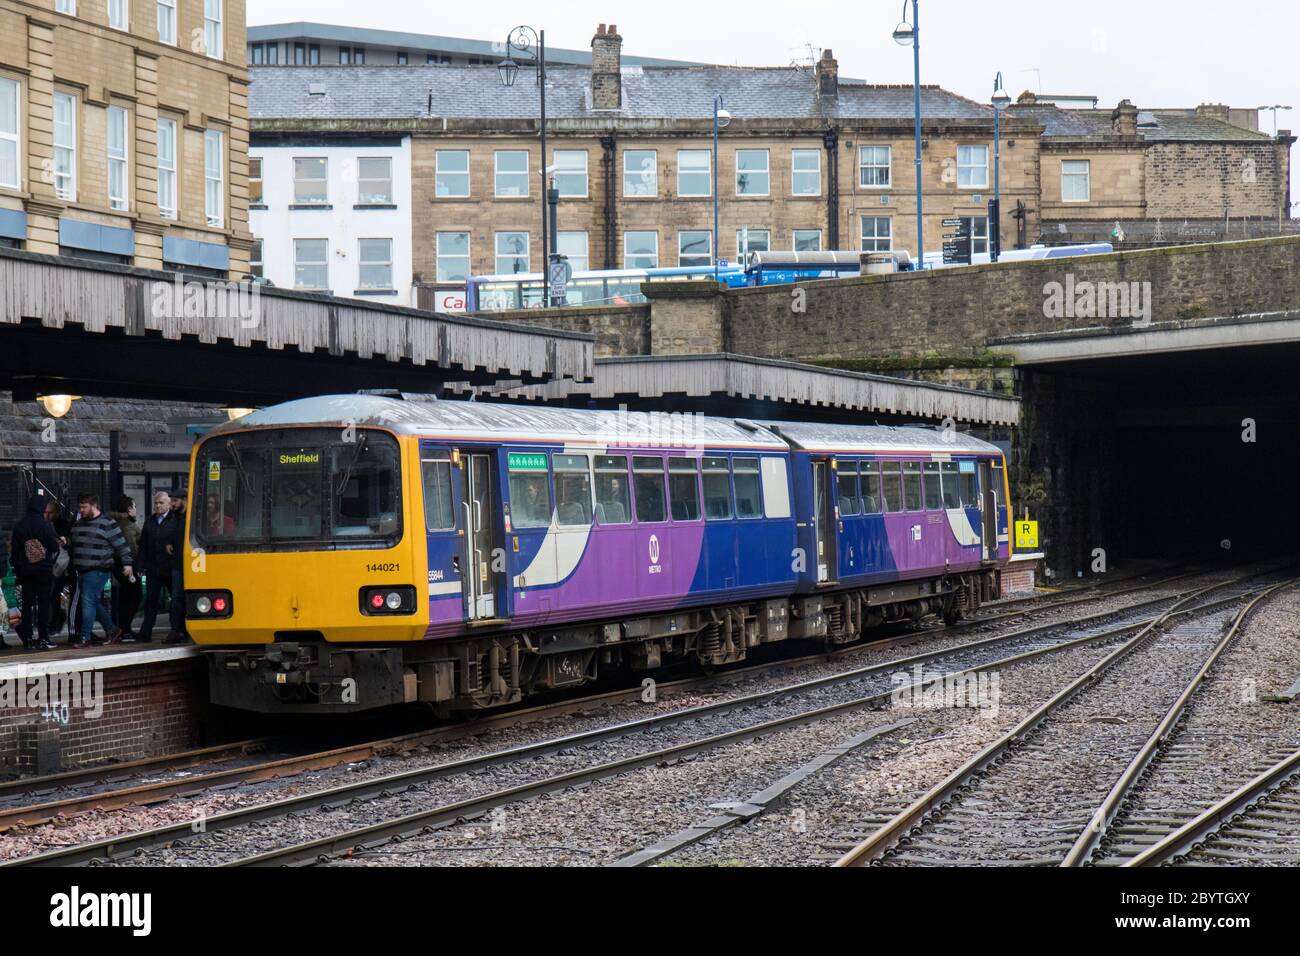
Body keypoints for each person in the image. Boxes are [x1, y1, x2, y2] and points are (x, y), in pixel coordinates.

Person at [68, 494, 133, 647]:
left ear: (94, 506)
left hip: (98, 569)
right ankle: (113, 629)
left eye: (84, 507)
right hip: (81, 570)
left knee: (88, 601)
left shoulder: (108, 523)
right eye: (80, 507)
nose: (81, 510)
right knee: (92, 602)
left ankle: (85, 637)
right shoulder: (78, 524)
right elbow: (73, 545)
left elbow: (121, 545)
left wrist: (127, 564)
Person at [9, 493, 61, 650]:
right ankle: (44, 637)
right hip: (44, 571)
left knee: (27, 604)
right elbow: (54, 547)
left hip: (26, 571)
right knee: (44, 603)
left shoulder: (19, 525)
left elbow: (15, 551)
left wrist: (18, 569)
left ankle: (28, 638)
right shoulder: (46, 525)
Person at [139, 491, 184, 644]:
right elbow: (143, 544)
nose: (158, 506)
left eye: (161, 503)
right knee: (151, 600)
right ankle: (145, 632)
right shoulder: (150, 521)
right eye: (156, 503)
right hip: (153, 567)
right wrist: (141, 564)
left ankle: (177, 629)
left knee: (176, 599)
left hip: (171, 567)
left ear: (169, 504)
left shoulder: (175, 520)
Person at [108, 495, 143, 642]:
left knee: (125, 596)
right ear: (129, 509)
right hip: (127, 566)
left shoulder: (114, 522)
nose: (135, 510)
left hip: (117, 564)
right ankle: (125, 629)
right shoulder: (127, 524)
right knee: (134, 595)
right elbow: (130, 548)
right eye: (134, 507)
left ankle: (122, 627)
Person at [44, 499, 73, 635]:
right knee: (53, 595)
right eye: (46, 512)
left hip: (60, 566)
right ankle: (55, 620)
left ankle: (55, 621)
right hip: (55, 564)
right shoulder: (49, 524)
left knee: (54, 593)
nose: (47, 515)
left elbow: (67, 544)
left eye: (50, 513)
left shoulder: (62, 525)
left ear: (57, 513)